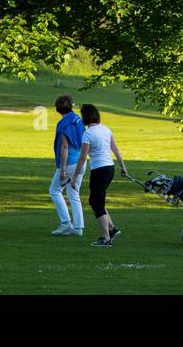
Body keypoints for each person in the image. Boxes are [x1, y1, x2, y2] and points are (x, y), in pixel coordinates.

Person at [72, 104, 128, 247]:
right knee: (96, 200)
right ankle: (111, 228)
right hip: (109, 169)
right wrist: (123, 167)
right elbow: (114, 149)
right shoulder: (106, 129)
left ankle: (106, 238)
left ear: (85, 117)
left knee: (97, 203)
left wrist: (74, 177)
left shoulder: (88, 133)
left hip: (99, 170)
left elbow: (83, 157)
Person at [49, 95, 85, 236]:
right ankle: (78, 227)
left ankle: (65, 223)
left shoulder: (63, 124)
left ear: (58, 109)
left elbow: (64, 147)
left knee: (55, 190)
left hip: (69, 164)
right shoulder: (78, 120)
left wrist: (62, 169)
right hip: (81, 162)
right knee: (74, 194)